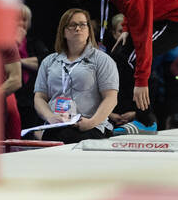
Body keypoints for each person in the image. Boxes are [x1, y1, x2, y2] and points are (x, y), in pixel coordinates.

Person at [72, 0, 178, 135]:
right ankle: (124, 115)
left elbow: (143, 38)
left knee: (135, 59)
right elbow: (129, 8)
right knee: (118, 57)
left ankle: (146, 121)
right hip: (160, 16)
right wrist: (125, 28)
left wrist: (141, 82)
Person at [30, 8, 119, 143]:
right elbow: (39, 98)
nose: (78, 29)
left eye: (83, 25)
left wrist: (92, 122)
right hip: (57, 125)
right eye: (73, 25)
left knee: (70, 139)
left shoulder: (102, 60)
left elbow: (111, 98)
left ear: (89, 30)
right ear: (63, 31)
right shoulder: (49, 61)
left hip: (90, 126)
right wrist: (49, 117)